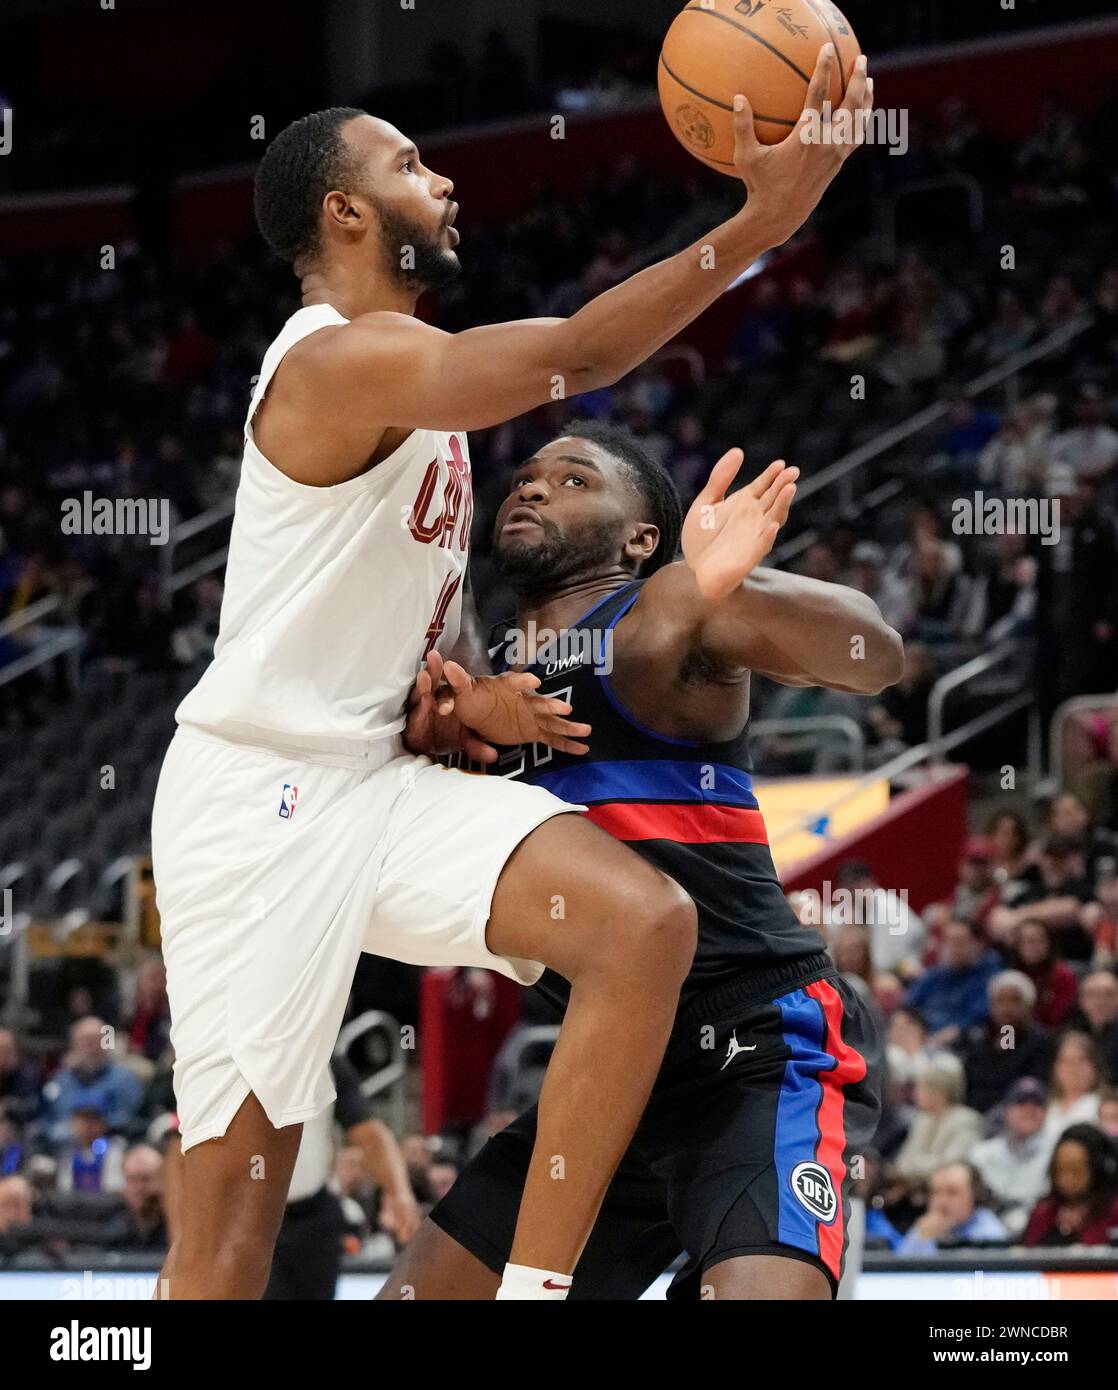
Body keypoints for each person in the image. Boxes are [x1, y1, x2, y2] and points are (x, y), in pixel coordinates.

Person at [151, 58, 876, 1301]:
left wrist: (471, 691)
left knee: (641, 919)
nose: (441, 181)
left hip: (374, 788)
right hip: (254, 807)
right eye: (407, 165)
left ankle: (536, 1291)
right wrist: (757, 224)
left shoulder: (423, 390)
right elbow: (583, 350)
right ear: (343, 213)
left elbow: (416, 629)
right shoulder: (333, 360)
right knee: (232, 1236)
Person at [380, 422, 900, 1301]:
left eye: (575, 479)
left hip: (756, 1046)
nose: (534, 488)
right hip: (607, 1075)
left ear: (641, 539)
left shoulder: (660, 617)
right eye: (528, 478)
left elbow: (875, 654)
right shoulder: (477, 681)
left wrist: (734, 586)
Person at [263, 1053, 420, 1300]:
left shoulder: (326, 1060)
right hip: (251, 1216)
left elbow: (368, 1132)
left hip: (313, 1213)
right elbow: (180, 1154)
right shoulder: (226, 1050)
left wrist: (399, 1193)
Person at [957, 970, 1052, 1115]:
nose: (1006, 1008)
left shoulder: (1039, 1041)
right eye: (1000, 1000)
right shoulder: (977, 1036)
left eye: (1014, 1001)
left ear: (1028, 1005)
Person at [40, 1017, 144, 1146]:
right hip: (63, 1148)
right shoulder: (60, 1081)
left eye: (96, 1040)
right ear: (74, 1045)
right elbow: (47, 1118)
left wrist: (94, 1127)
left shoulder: (124, 1079)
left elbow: (130, 1118)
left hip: (110, 1146)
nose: (90, 1047)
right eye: (84, 1041)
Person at [970, 1078, 1053, 1235]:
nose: (1029, 1109)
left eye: (1037, 1103)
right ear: (1006, 1110)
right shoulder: (981, 1154)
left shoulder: (1057, 1152)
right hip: (987, 1237)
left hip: (1039, 1234)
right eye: (1020, 1102)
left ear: (1046, 1111)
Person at [903, 919, 1002, 1046]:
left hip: (962, 1043)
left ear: (977, 944)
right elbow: (908, 1005)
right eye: (948, 941)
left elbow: (981, 1014)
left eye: (959, 942)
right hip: (921, 1037)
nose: (952, 948)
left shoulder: (989, 974)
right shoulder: (937, 973)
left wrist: (958, 1030)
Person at [894, 1054, 984, 1186]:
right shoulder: (922, 1120)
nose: (915, 1094)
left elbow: (951, 1164)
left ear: (938, 1091)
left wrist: (916, 1165)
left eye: (920, 1088)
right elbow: (902, 1164)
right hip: (916, 1190)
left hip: (948, 1188)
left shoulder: (966, 1120)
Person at [1023, 1124, 1118, 1247]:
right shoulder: (1043, 1213)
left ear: (1099, 1168)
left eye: (1076, 1170)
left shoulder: (1114, 1212)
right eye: (1060, 1169)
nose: (1066, 1179)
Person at [896, 1162, 1008, 1254]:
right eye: (936, 1192)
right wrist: (920, 1240)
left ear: (975, 1197)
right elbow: (897, 1273)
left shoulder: (989, 1234)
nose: (942, 1202)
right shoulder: (926, 1227)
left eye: (952, 1192)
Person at [1042, 1032, 1104, 1145]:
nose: (1073, 1068)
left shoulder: (1104, 1105)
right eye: (1065, 1061)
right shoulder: (1045, 1107)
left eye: (1081, 1060)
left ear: (1094, 1066)